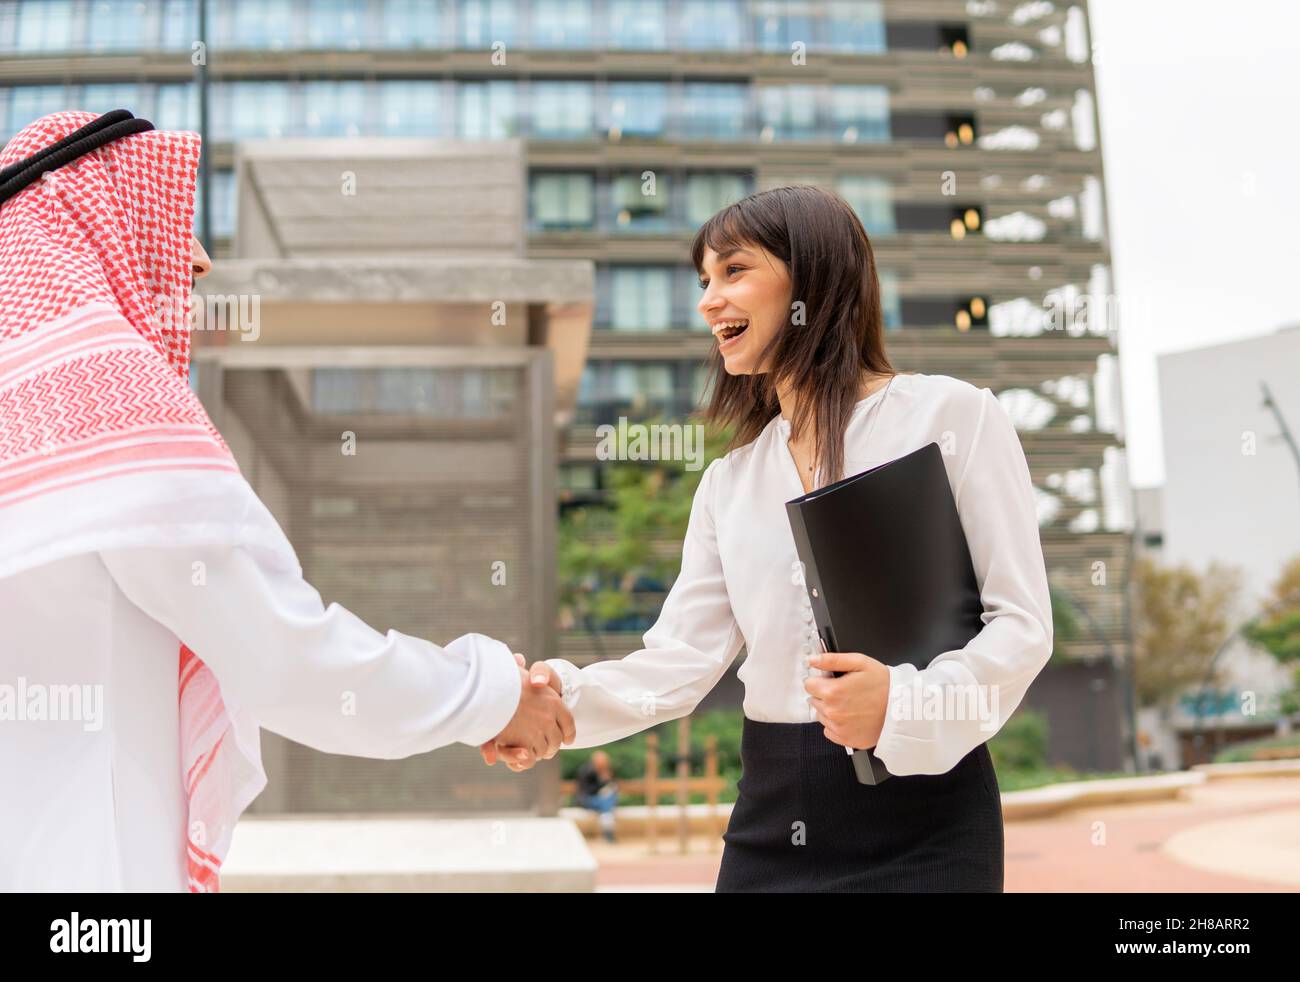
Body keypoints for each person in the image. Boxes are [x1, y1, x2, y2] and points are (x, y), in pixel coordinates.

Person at [0, 110, 573, 893]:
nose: (196, 261)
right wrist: (491, 694)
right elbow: (284, 657)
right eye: (168, 227)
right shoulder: (98, 402)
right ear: (99, 229)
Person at [484, 185, 1054, 892]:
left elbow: (1022, 628)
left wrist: (907, 703)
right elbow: (679, 662)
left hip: (929, 820)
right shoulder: (730, 482)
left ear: (811, 277)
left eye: (733, 271)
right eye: (703, 280)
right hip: (772, 817)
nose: (708, 300)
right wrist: (551, 699)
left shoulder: (953, 417)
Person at [573, 750, 619, 843]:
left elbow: (614, 787)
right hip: (587, 800)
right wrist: (602, 781)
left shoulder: (608, 770)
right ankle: (608, 831)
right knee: (605, 801)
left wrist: (608, 783)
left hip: (602, 801)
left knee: (608, 798)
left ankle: (607, 819)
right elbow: (585, 791)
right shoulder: (586, 771)